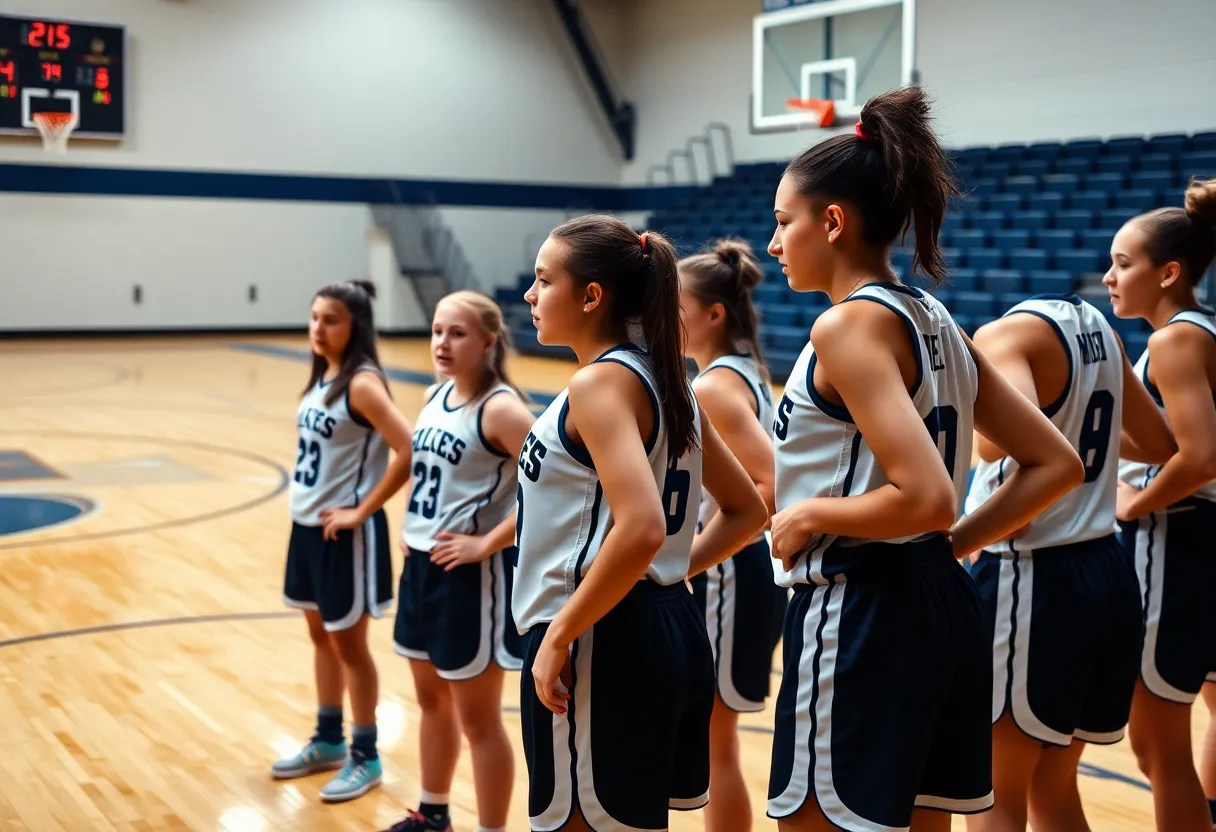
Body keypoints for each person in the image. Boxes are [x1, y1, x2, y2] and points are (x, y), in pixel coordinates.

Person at [764, 86, 1085, 832]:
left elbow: (930, 497)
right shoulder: (932, 315)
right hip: (940, 604)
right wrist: (957, 548)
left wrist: (810, 511)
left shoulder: (848, 329)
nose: (775, 242)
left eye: (785, 222)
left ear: (833, 222)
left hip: (860, 609)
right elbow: (1056, 461)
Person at [513, 215, 769, 832]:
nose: (530, 294)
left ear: (591, 296)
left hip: (600, 636)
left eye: (544, 281)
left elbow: (643, 528)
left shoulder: (601, 383)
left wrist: (560, 633)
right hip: (662, 623)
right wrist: (668, 575)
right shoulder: (668, 380)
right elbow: (747, 511)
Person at [962, 293, 1175, 832]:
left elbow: (1003, 455)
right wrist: (1078, 440)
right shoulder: (1099, 327)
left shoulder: (1000, 338)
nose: (1109, 275)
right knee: (1050, 787)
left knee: (992, 792)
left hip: (1032, 582)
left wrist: (970, 380)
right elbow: (1157, 443)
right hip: (1105, 568)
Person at [381, 291, 536, 832]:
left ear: (489, 342)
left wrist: (488, 543)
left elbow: (556, 488)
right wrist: (413, 528)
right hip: (423, 567)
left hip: (472, 579)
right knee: (430, 701)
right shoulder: (434, 394)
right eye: (437, 331)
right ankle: (433, 813)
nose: (442, 343)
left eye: (458, 333)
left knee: (479, 720)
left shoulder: (502, 409)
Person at [271, 279, 414, 803]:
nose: (318, 328)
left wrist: (362, 510)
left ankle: (365, 754)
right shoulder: (323, 376)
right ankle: (328, 739)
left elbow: (409, 449)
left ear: (356, 325)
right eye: (314, 318)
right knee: (320, 637)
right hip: (306, 528)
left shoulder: (363, 383)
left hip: (344, 535)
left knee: (350, 647)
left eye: (330, 319)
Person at [1107, 176, 1216, 832]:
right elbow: (1171, 442)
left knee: (1157, 745)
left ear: (1168, 272)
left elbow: (1200, 457)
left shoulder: (1174, 339)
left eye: (1123, 263)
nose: (1110, 277)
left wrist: (1134, 504)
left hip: (1180, 543)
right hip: (1205, 539)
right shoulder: (1203, 330)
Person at [678, 238, 785, 832]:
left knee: (714, 742)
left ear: (714, 314)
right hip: (735, 573)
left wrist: (688, 562)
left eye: (677, 309)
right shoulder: (742, 373)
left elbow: (769, 488)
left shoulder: (715, 387)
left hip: (727, 576)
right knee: (715, 739)